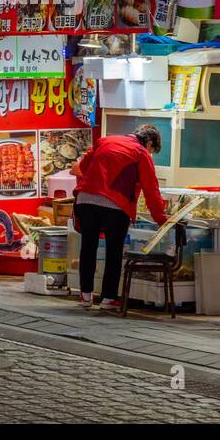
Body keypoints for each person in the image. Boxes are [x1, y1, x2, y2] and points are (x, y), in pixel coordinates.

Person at [71, 124, 169, 311]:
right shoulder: (141, 153)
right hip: (115, 205)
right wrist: (161, 218)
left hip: (85, 200)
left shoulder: (104, 141)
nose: (151, 153)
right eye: (152, 150)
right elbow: (151, 189)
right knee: (113, 252)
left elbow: (82, 166)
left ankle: (85, 296)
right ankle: (108, 298)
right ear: (149, 142)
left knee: (88, 247)